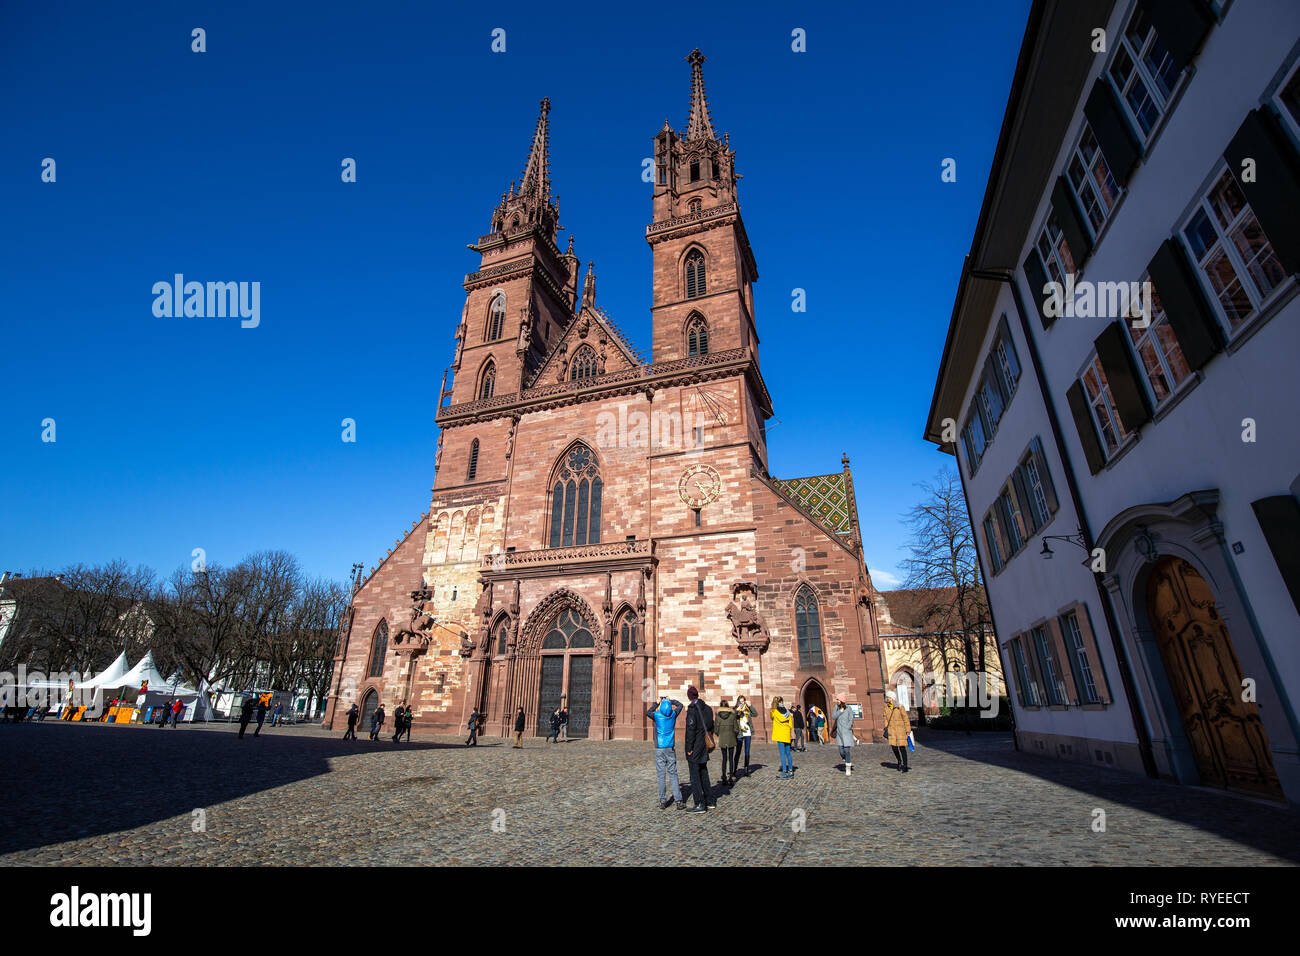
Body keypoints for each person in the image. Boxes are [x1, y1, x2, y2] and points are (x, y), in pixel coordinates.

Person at [646, 696, 686, 809]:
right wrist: (671, 700)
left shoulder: (657, 715)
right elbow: (680, 705)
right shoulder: (673, 714)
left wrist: (656, 703)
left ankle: (663, 801)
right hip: (670, 747)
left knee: (661, 775)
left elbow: (648, 712)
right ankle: (678, 801)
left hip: (659, 747)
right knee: (673, 774)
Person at [682, 686, 714, 812]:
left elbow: (690, 730)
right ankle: (710, 800)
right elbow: (711, 725)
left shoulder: (692, 709)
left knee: (694, 775)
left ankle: (700, 803)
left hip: (695, 746)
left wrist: (689, 747)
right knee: (703, 772)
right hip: (704, 745)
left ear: (690, 696)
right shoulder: (708, 708)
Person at [884, 692, 910, 772]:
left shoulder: (900, 707)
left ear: (892, 698)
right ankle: (899, 760)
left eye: (888, 697)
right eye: (887, 697)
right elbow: (885, 717)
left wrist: (908, 729)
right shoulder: (886, 707)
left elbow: (905, 718)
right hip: (892, 730)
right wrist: (885, 725)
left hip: (900, 730)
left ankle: (905, 765)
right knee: (894, 748)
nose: (887, 698)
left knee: (902, 747)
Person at [715, 697, 739, 787]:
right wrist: (734, 734)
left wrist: (719, 734)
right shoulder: (732, 715)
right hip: (731, 738)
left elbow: (716, 729)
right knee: (731, 758)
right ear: (728, 706)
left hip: (723, 739)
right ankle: (731, 776)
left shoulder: (718, 716)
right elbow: (736, 728)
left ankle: (724, 777)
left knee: (724, 758)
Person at [832, 694, 856, 775]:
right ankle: (845, 759)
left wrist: (848, 726)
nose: (837, 701)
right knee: (841, 750)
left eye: (838, 700)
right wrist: (839, 711)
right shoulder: (836, 708)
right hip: (839, 732)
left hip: (846, 732)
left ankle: (848, 768)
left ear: (842, 700)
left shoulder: (849, 708)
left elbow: (851, 718)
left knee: (847, 750)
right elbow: (833, 717)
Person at [771, 696, 793, 778]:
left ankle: (784, 771)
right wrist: (788, 729)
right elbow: (790, 723)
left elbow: (771, 717)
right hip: (786, 734)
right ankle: (790, 771)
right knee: (788, 753)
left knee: (782, 754)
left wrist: (773, 706)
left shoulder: (775, 711)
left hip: (780, 734)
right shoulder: (787, 711)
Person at [735, 695, 755, 777]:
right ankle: (734, 769)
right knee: (738, 751)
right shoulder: (736, 709)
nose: (742, 703)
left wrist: (750, 706)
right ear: (738, 702)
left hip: (747, 733)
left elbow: (755, 714)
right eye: (740, 701)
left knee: (747, 751)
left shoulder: (747, 710)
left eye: (743, 701)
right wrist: (737, 710)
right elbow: (733, 716)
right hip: (740, 733)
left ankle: (746, 769)